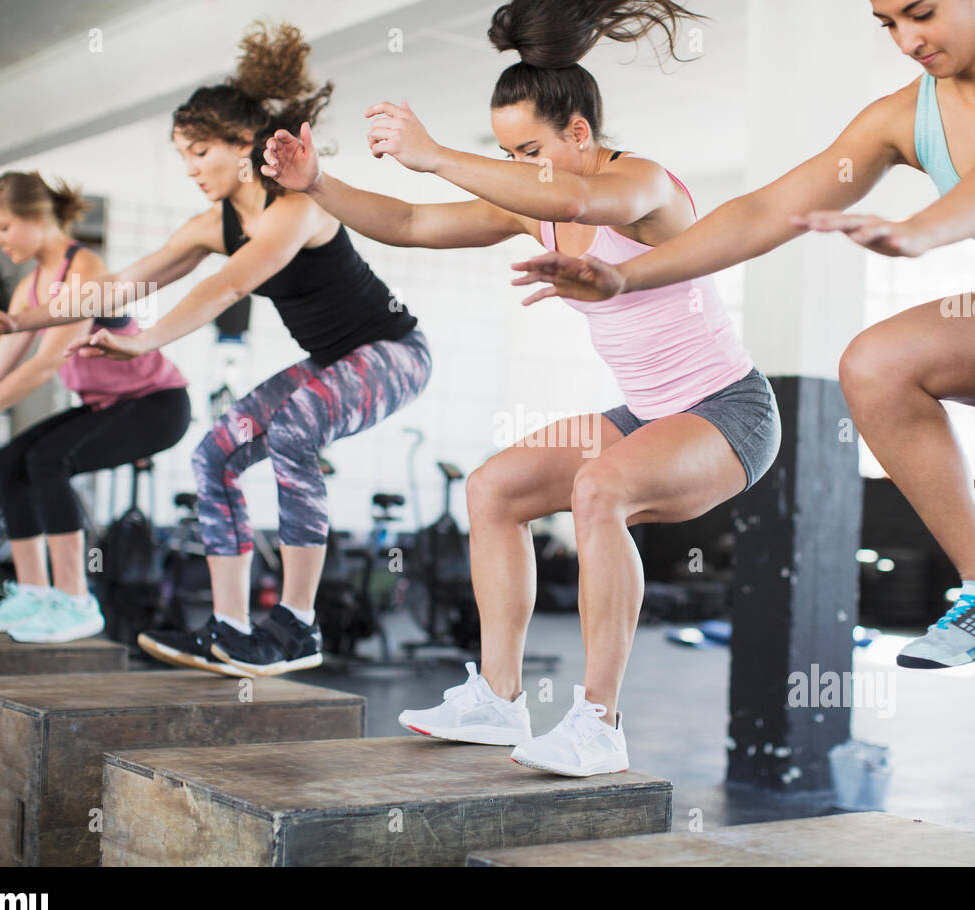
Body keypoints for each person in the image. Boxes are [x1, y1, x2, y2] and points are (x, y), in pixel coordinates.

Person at [511, 0, 975, 729]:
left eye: (922, 14)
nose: (908, 40)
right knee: (873, 363)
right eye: (887, 23)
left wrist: (924, 229)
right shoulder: (905, 116)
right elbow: (766, 208)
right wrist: (632, 276)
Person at [261, 0, 779, 774]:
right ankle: (500, 701)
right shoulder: (535, 209)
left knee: (600, 489)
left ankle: (598, 722)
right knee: (494, 487)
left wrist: (435, 152)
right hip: (645, 415)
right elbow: (408, 221)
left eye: (529, 150)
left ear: (579, 134)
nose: (520, 169)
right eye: (507, 154)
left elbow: (574, 198)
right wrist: (320, 182)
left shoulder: (641, 184)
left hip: (729, 413)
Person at [0, 22, 431, 677]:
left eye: (199, 152)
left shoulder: (297, 207)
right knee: (215, 453)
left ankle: (297, 626)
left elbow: (228, 285)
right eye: (182, 156)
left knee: (291, 430)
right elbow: (118, 285)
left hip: (395, 352)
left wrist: (143, 339)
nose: (191, 168)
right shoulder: (212, 225)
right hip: (332, 365)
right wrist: (16, 320)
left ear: (241, 146)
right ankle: (229, 628)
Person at [0, 171, 190, 643]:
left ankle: (76, 602)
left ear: (36, 217)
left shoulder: (85, 268)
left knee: (48, 459)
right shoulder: (29, 287)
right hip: (108, 404)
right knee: (15, 459)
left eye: (2, 228)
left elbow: (44, 365)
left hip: (155, 404)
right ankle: (35, 594)